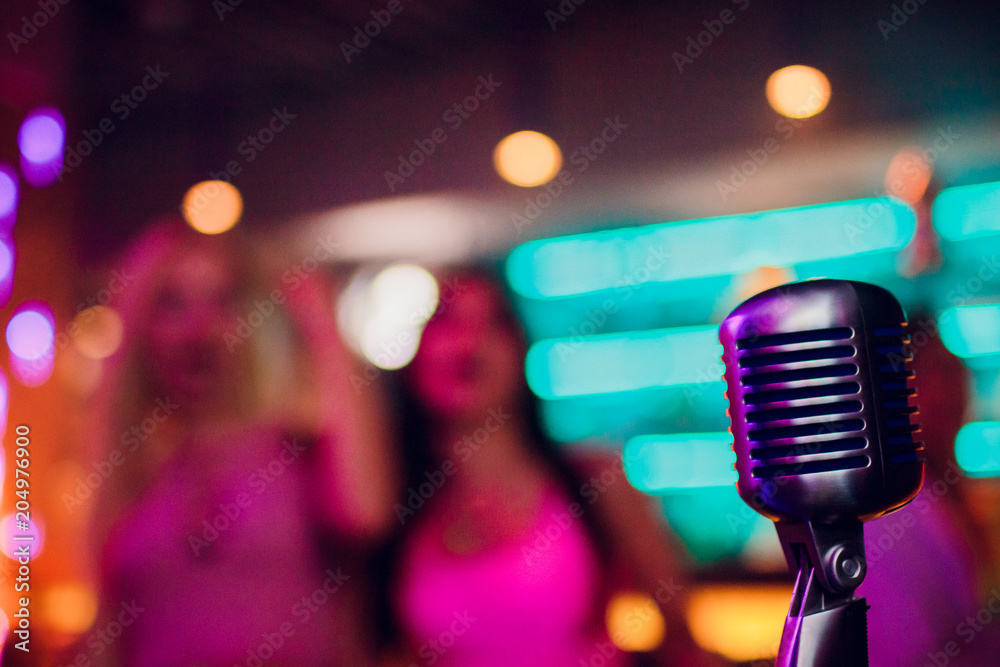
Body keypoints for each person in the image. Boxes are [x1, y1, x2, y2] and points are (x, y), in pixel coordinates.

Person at [74, 220, 396, 667]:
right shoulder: (127, 470)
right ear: (143, 328)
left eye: (223, 302)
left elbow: (366, 513)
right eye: (173, 304)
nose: (198, 329)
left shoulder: (296, 451)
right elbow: (108, 633)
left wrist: (321, 324)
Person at [377, 268, 721, 667]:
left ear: (520, 351)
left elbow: (682, 641)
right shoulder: (396, 509)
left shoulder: (593, 480)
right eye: (446, 322)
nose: (467, 344)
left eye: (490, 324)